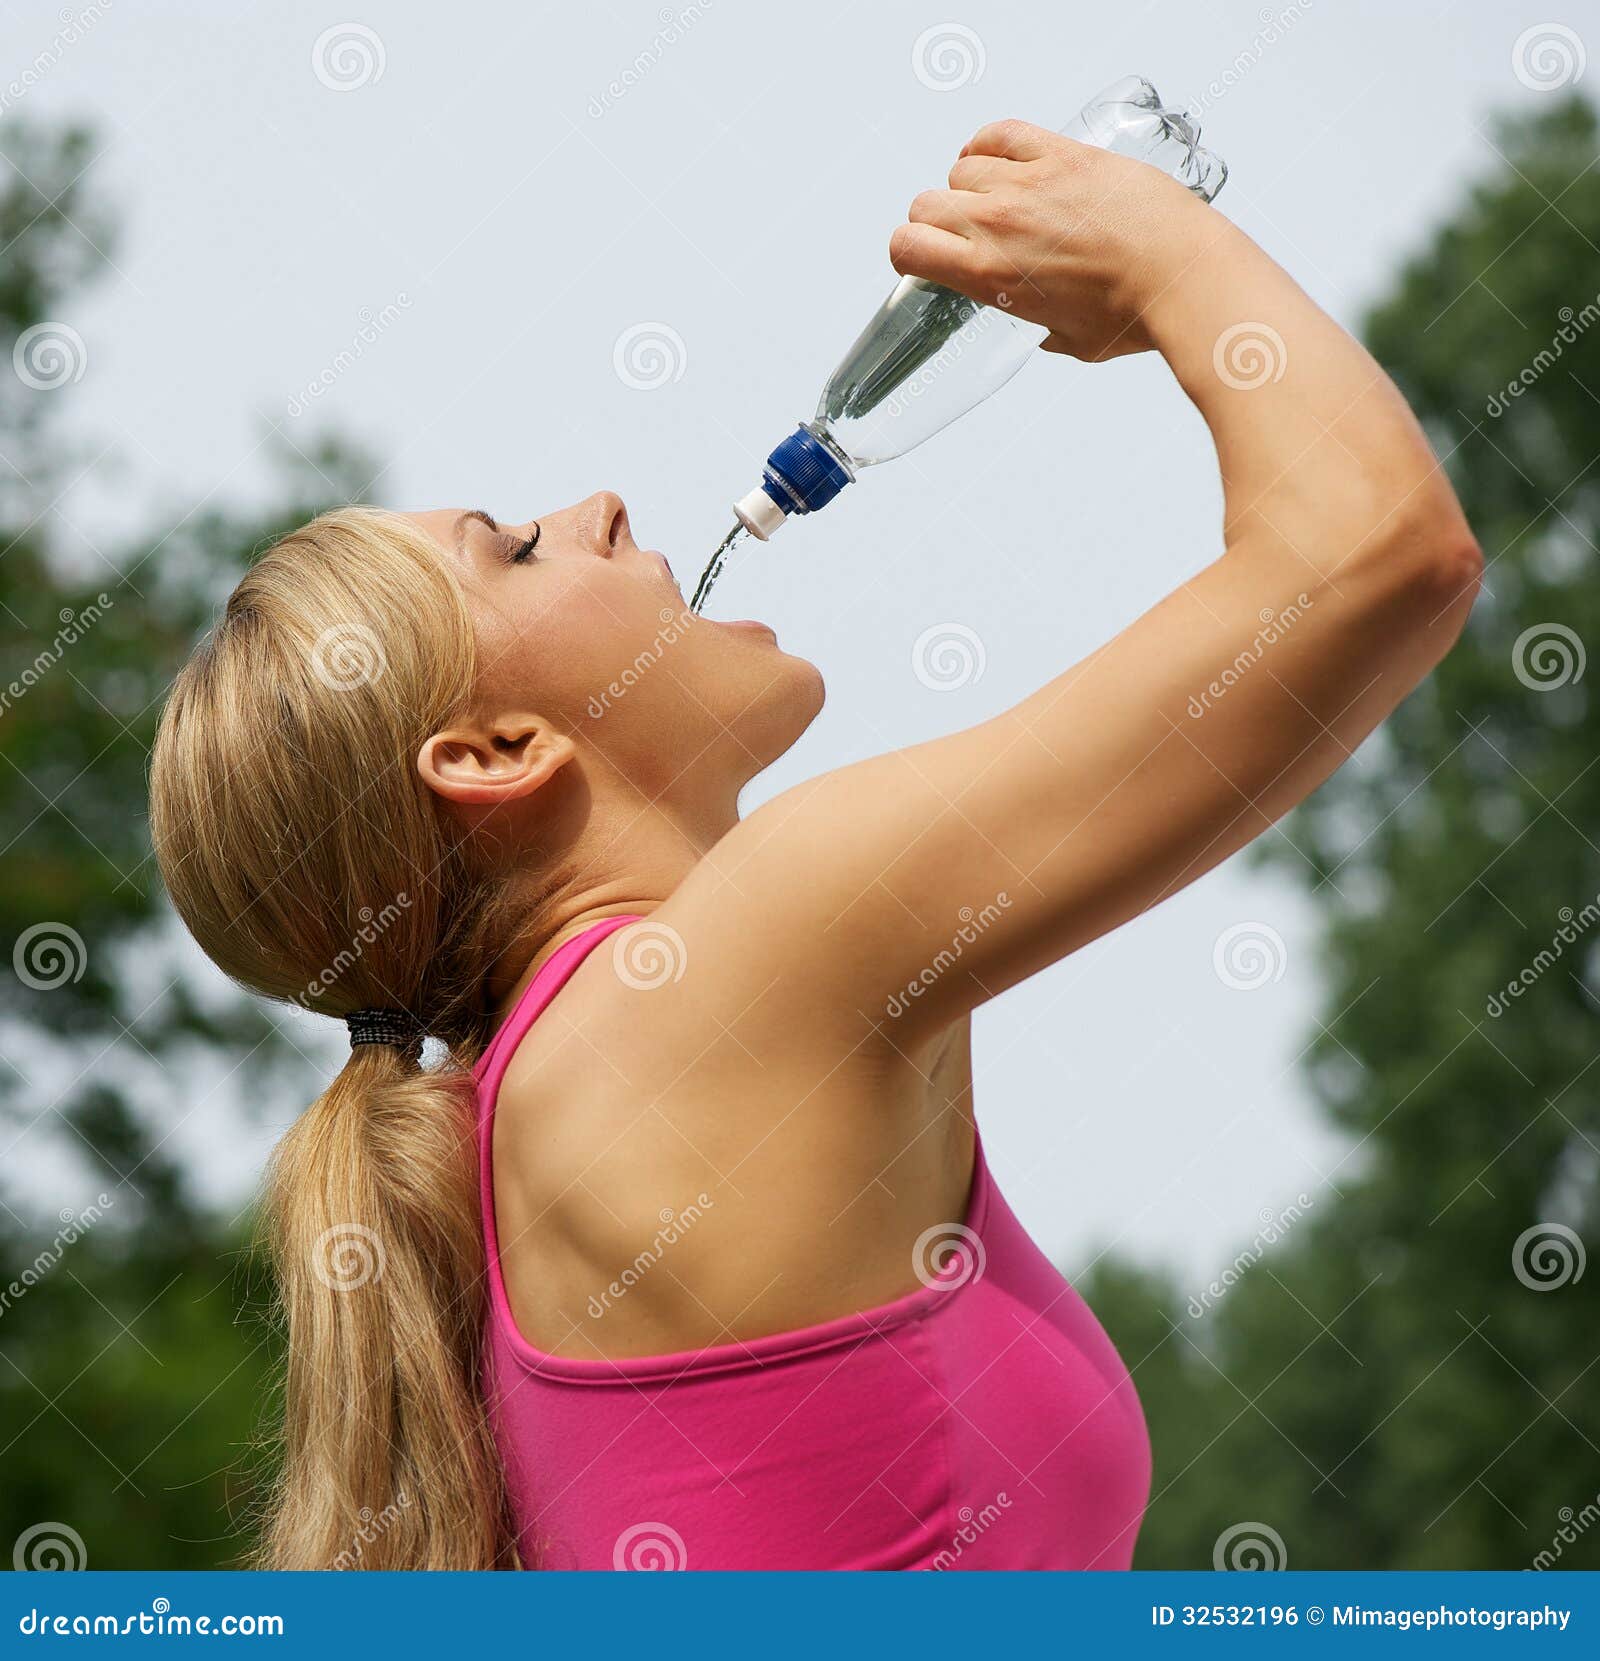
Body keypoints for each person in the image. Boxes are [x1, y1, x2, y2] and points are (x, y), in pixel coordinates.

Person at [148, 118, 1480, 1570]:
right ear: (491, 755)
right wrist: (1158, 244)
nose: (596, 502)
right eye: (516, 548)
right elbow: (1377, 554)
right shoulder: (732, 969)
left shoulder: (569, 1092)